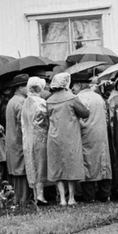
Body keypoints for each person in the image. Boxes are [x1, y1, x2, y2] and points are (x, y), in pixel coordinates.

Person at [44, 71, 90, 205]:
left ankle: (62, 199)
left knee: (57, 166)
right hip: (70, 136)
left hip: (54, 136)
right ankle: (71, 198)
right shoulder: (72, 98)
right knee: (71, 165)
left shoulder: (49, 100)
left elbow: (47, 118)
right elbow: (85, 113)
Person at [75, 79, 112, 201]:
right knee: (103, 162)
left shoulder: (78, 98)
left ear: (79, 84)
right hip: (101, 134)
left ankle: (89, 196)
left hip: (86, 134)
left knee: (88, 164)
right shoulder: (99, 97)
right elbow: (106, 117)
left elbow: (77, 119)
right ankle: (105, 194)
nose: (72, 89)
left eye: (73, 86)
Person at [21, 77, 49, 205]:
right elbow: (46, 119)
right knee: (40, 164)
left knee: (31, 163)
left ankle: (36, 194)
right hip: (40, 137)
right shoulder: (40, 102)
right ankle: (41, 195)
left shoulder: (26, 102)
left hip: (27, 138)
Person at [3, 76, 29, 206]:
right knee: (22, 172)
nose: (29, 88)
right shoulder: (21, 101)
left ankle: (19, 200)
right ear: (20, 87)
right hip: (19, 141)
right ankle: (23, 200)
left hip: (12, 142)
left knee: (17, 173)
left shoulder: (12, 101)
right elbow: (23, 122)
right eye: (27, 86)